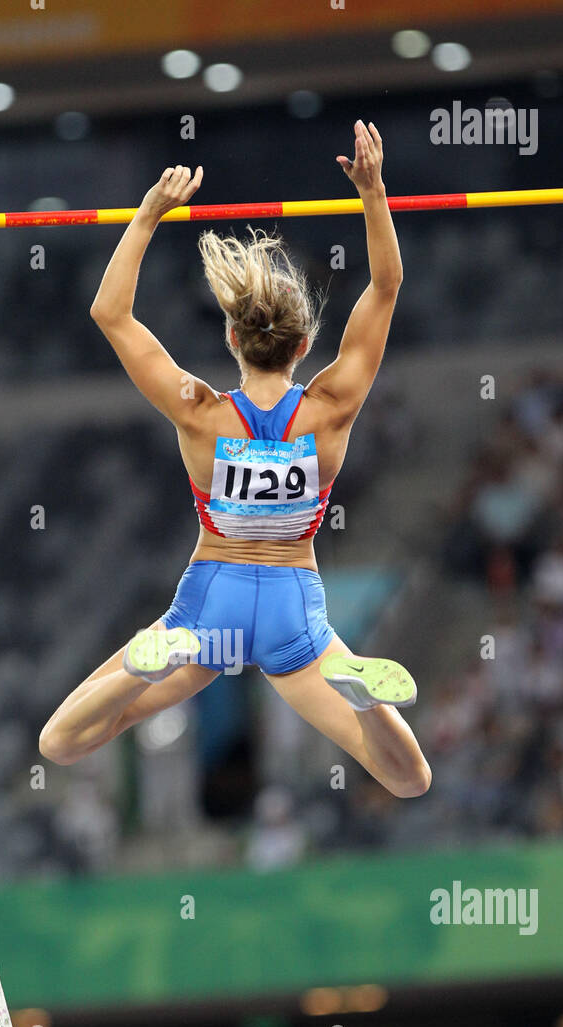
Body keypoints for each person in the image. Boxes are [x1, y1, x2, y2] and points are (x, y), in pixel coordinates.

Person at [40, 123, 431, 801]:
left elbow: (111, 312)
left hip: (207, 613)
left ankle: (142, 665)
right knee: (408, 777)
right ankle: (364, 697)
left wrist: (148, 214)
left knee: (63, 742)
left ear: (230, 337)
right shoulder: (330, 407)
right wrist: (373, 193)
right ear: (305, 343)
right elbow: (387, 285)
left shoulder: (200, 412)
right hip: (293, 612)